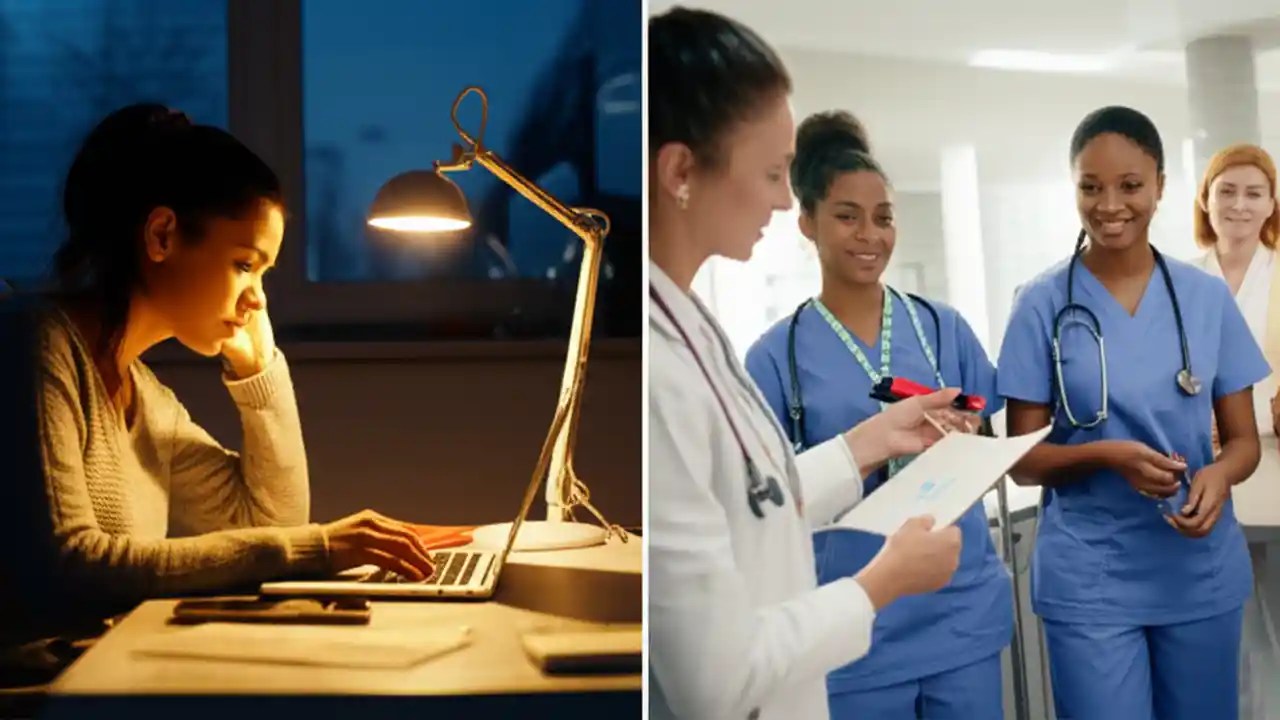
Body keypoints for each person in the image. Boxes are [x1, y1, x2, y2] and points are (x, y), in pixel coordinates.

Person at [0, 104, 438, 647]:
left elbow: (270, 522)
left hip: (109, 674)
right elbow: (68, 568)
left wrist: (259, 372)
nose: (258, 298)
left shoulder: (147, 400)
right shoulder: (35, 343)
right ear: (162, 235)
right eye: (244, 264)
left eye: (264, 273)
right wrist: (320, 547)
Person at [648, 8, 969, 720]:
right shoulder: (662, 368)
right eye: (772, 173)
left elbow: (754, 498)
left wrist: (866, 443)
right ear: (681, 172)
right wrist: (880, 584)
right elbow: (713, 680)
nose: (782, 197)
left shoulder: (689, 325)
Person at [997, 105, 1267, 720]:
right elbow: (1023, 462)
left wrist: (1219, 475)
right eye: (1090, 187)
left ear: (1161, 187)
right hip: (1090, 575)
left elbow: (1243, 442)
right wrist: (1106, 456)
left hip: (1196, 569)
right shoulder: (1041, 303)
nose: (1110, 204)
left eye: (1130, 185)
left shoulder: (1205, 297)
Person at [744, 110, 1010, 719]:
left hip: (959, 610)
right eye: (847, 216)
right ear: (807, 222)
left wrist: (968, 436)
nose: (870, 235)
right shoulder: (774, 358)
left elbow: (990, 437)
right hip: (855, 625)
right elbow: (766, 503)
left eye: (883, 218)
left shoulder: (943, 328)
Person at [1189, 143, 1280, 718]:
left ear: (1272, 204)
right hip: (1205, 473)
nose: (1239, 205)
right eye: (1226, 191)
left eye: (1254, 193)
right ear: (1205, 199)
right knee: (1225, 630)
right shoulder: (1178, 279)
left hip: (1275, 471)